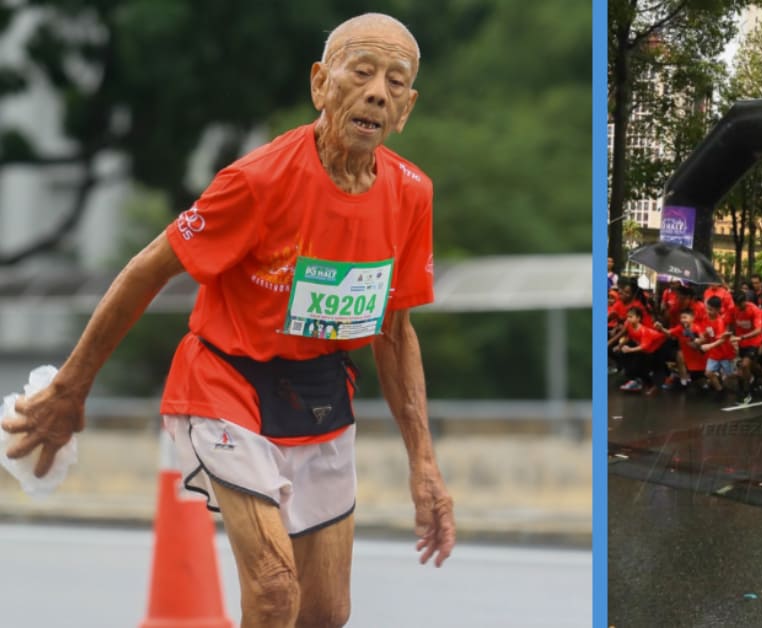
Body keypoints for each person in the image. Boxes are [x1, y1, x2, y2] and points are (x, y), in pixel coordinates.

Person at [2, 14, 452, 626]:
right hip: (225, 385)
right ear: (321, 83)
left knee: (325, 613)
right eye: (362, 73)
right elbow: (146, 270)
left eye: (396, 83)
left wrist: (423, 464)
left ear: (406, 109)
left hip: (320, 394)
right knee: (273, 591)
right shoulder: (259, 181)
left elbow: (395, 332)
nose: (378, 92)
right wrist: (70, 388)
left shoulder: (410, 193)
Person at [617, 308, 672, 393]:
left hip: (659, 347)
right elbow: (630, 336)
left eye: (631, 317)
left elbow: (643, 347)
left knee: (646, 368)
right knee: (639, 366)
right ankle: (641, 382)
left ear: (638, 318)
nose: (628, 319)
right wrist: (620, 346)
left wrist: (630, 350)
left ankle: (653, 386)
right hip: (648, 348)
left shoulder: (644, 331)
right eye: (627, 316)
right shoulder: (628, 324)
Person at [728, 289, 762, 401]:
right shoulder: (733, 310)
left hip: (754, 341)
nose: (739, 306)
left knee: (745, 365)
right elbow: (730, 324)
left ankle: (747, 390)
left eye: (741, 303)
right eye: (736, 304)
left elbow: (758, 330)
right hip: (742, 343)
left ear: (744, 301)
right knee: (753, 365)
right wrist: (730, 336)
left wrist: (741, 337)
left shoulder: (754, 310)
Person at [659, 309, 707, 391]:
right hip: (686, 355)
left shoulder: (697, 328)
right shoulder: (679, 328)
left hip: (698, 356)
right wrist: (661, 328)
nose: (683, 320)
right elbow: (669, 333)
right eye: (681, 318)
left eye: (685, 317)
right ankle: (683, 382)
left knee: (702, 382)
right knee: (679, 356)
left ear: (692, 318)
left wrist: (696, 342)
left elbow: (703, 339)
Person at [699, 296, 737, 395]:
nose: (708, 311)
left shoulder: (720, 322)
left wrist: (709, 346)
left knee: (730, 376)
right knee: (708, 373)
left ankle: (745, 377)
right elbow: (706, 333)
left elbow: (722, 340)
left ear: (718, 310)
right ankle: (720, 390)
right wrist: (702, 338)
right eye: (707, 308)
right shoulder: (705, 318)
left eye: (711, 309)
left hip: (725, 353)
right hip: (714, 353)